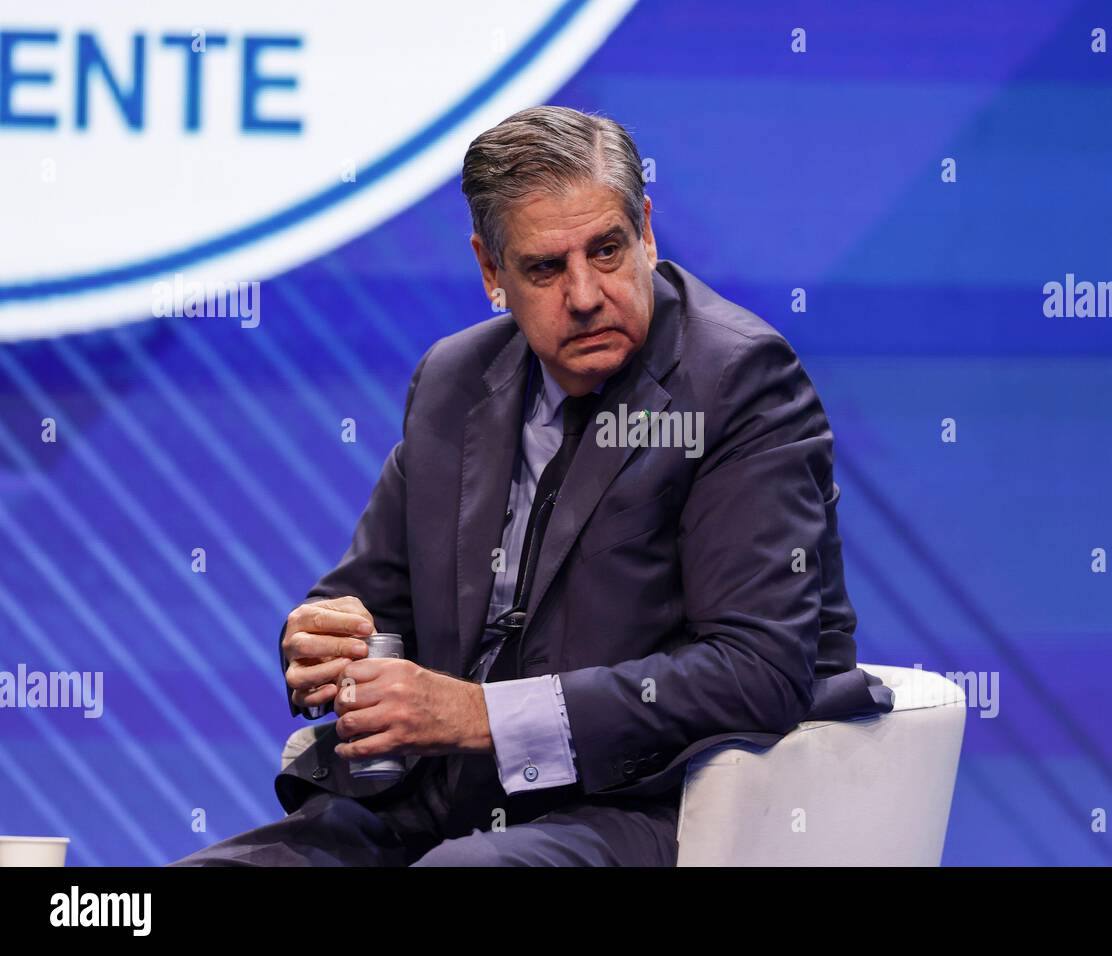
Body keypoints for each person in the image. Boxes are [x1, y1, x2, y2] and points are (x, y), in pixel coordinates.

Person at [170, 105, 890, 867]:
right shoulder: (456, 380)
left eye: (607, 250)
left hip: (642, 807)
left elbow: (758, 669)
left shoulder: (738, 382)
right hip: (438, 802)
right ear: (490, 271)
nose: (584, 295)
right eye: (546, 268)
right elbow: (369, 597)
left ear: (645, 229)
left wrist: (482, 716)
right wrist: (320, 635)